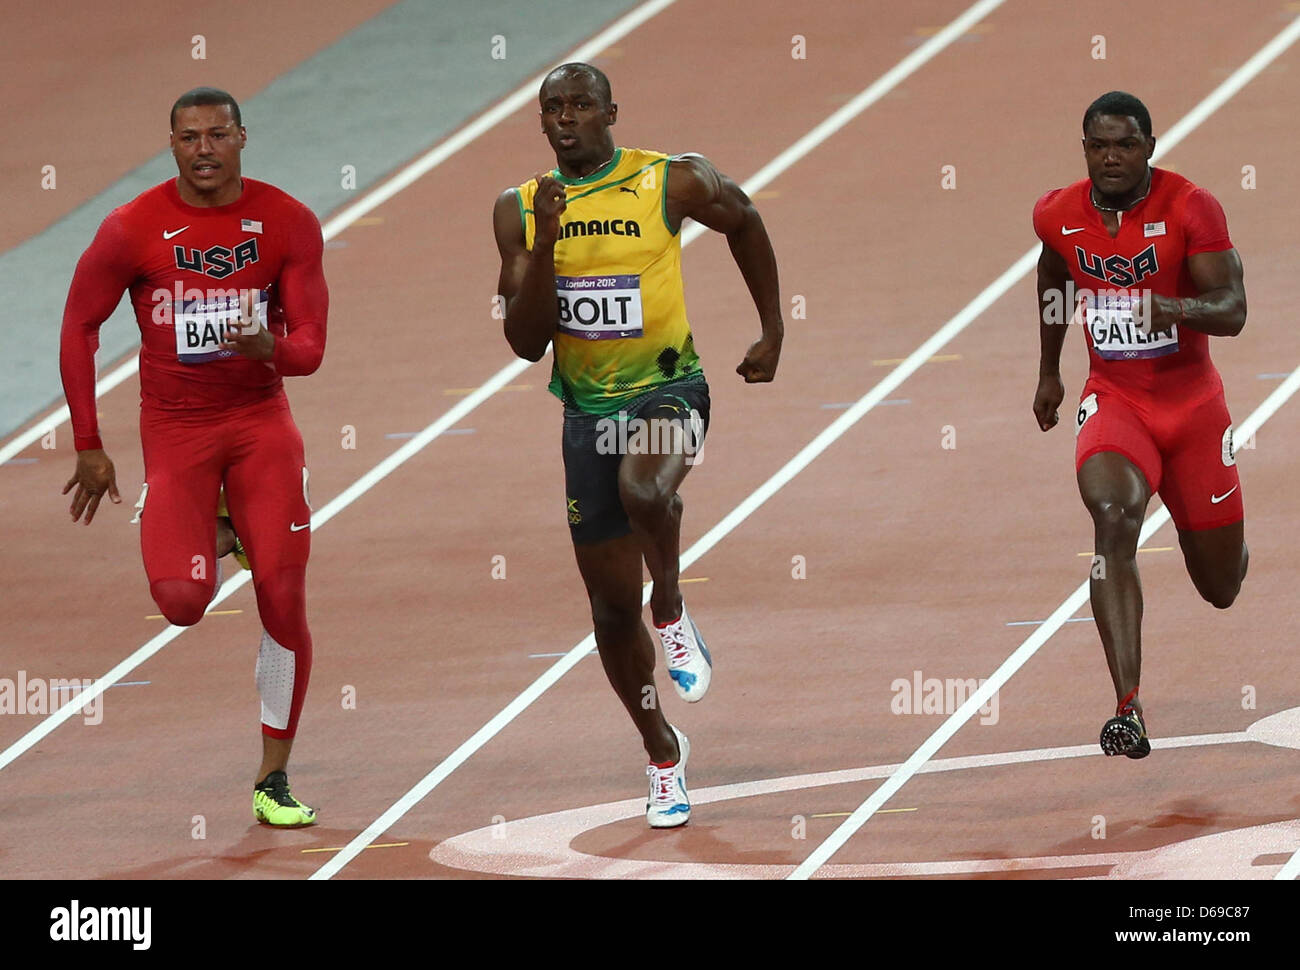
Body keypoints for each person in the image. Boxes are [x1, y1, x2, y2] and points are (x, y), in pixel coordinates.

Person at [493, 63, 783, 826]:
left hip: (670, 386)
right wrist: (549, 239)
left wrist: (772, 329)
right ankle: (662, 752)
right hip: (586, 411)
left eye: (581, 105)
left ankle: (675, 607)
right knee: (608, 612)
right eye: (553, 107)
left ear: (610, 111)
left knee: (647, 491)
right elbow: (523, 344)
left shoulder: (669, 181)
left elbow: (745, 217)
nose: (566, 119)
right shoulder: (520, 209)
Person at [59, 87, 327, 825]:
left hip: (259, 423)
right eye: (188, 137)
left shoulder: (289, 222)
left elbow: (311, 349)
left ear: (242, 137)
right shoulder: (131, 228)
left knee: (281, 597)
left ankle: (273, 776)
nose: (203, 149)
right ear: (170, 144)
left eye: (217, 134)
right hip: (176, 431)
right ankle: (217, 522)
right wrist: (89, 444)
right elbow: (78, 327)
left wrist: (268, 346)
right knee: (181, 604)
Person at [1032, 91, 1248, 759]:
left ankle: (1215, 535)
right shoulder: (1058, 214)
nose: (1112, 158)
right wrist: (1049, 370)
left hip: (1192, 407)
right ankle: (1128, 707)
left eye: (1126, 144)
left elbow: (1234, 308)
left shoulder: (1190, 206)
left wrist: (1178, 307)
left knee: (1220, 586)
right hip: (1116, 399)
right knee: (1112, 514)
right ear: (1085, 150)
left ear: (1149, 147)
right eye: (1099, 146)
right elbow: (1054, 273)